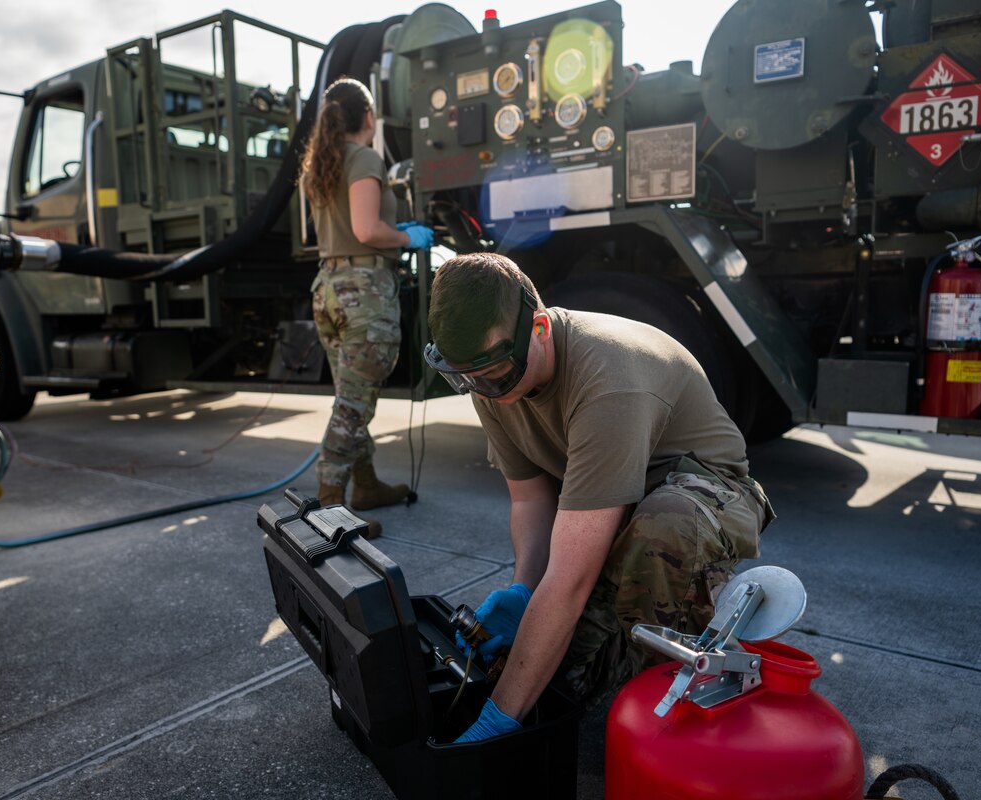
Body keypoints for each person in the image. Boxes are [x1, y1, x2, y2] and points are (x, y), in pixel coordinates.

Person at [424, 253, 774, 741]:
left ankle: (656, 699)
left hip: (704, 498)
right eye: (462, 378)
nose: (480, 391)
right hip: (618, 498)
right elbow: (530, 500)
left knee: (662, 533)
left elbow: (568, 579)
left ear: (540, 329)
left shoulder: (607, 380)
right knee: (543, 667)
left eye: (492, 375)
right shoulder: (492, 375)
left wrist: (503, 716)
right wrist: (523, 591)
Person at [299, 77, 434, 536]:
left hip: (328, 289)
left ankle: (367, 484)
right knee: (353, 407)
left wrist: (392, 229)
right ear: (369, 117)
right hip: (364, 293)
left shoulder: (324, 163)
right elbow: (366, 230)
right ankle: (328, 504)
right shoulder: (364, 157)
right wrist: (406, 237)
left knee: (349, 396)